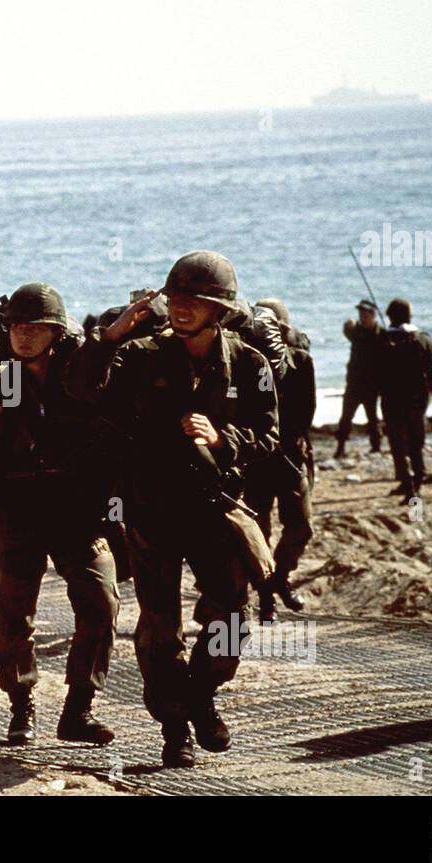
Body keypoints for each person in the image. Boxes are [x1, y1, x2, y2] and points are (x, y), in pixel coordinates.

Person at [66, 251, 279, 768]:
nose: (181, 308)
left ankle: (201, 694)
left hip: (215, 509)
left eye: (194, 300)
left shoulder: (250, 364)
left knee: (230, 617)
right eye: (175, 298)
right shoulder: (138, 355)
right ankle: (174, 726)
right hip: (152, 509)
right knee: (160, 626)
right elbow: (80, 391)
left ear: (220, 309)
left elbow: (270, 438)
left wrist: (223, 437)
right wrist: (109, 337)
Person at [0, 283, 121, 747]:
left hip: (77, 512)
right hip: (16, 512)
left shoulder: (81, 381)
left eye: (35, 328)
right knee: (15, 613)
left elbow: (120, 431)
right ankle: (22, 707)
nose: (24, 336)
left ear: (56, 332)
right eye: (16, 327)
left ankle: (79, 709)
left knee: (101, 603)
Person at [244, 298, 315, 622]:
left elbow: (305, 413)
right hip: (258, 459)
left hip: (290, 457)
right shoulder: (246, 361)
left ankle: (279, 579)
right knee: (259, 533)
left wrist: (292, 448)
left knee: (301, 526)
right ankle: (266, 595)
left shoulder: (300, 361)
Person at [378, 299, 432, 499]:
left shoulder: (384, 340)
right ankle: (418, 477)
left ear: (390, 316)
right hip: (418, 397)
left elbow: (374, 371)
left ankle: (407, 481)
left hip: (392, 398)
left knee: (397, 442)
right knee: (416, 440)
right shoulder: (424, 339)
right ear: (409, 316)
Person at [335, 300, 383, 457]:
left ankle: (376, 446)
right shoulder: (357, 331)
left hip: (372, 384)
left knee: (373, 418)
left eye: (365, 314)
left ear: (372, 315)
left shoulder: (381, 334)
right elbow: (347, 329)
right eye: (360, 314)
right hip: (354, 383)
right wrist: (348, 324)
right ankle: (340, 446)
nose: (362, 317)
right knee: (346, 417)